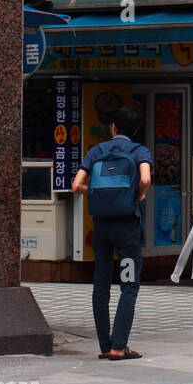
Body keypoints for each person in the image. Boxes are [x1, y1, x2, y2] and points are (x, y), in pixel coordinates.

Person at [71, 106, 153, 360]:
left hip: (102, 229)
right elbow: (146, 180)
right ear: (136, 130)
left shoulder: (97, 151)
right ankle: (119, 346)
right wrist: (136, 195)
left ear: (113, 127)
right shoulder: (140, 151)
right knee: (128, 284)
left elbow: (76, 185)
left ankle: (105, 346)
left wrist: (94, 193)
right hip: (126, 231)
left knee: (101, 283)